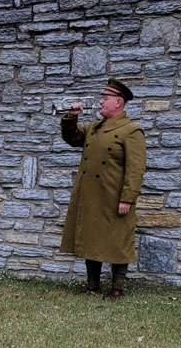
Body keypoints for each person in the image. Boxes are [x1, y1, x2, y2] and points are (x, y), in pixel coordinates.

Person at [59, 78, 146, 299]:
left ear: (118, 102)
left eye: (105, 99)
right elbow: (72, 137)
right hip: (91, 196)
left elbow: (135, 170)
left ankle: (117, 288)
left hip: (114, 195)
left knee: (119, 241)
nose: (100, 102)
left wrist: (127, 198)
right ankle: (93, 285)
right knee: (92, 239)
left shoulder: (131, 131)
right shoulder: (94, 127)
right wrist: (72, 116)